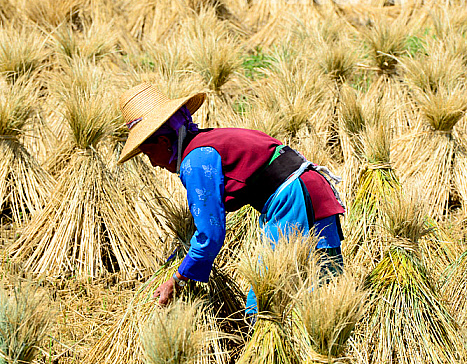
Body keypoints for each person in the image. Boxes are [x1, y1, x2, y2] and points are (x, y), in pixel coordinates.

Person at [118, 83, 345, 315]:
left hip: (293, 200)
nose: (153, 163)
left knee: (267, 301)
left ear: (164, 143)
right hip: (313, 190)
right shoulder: (209, 141)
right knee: (323, 284)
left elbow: (210, 234)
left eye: (148, 154)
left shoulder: (196, 161)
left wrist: (178, 278)